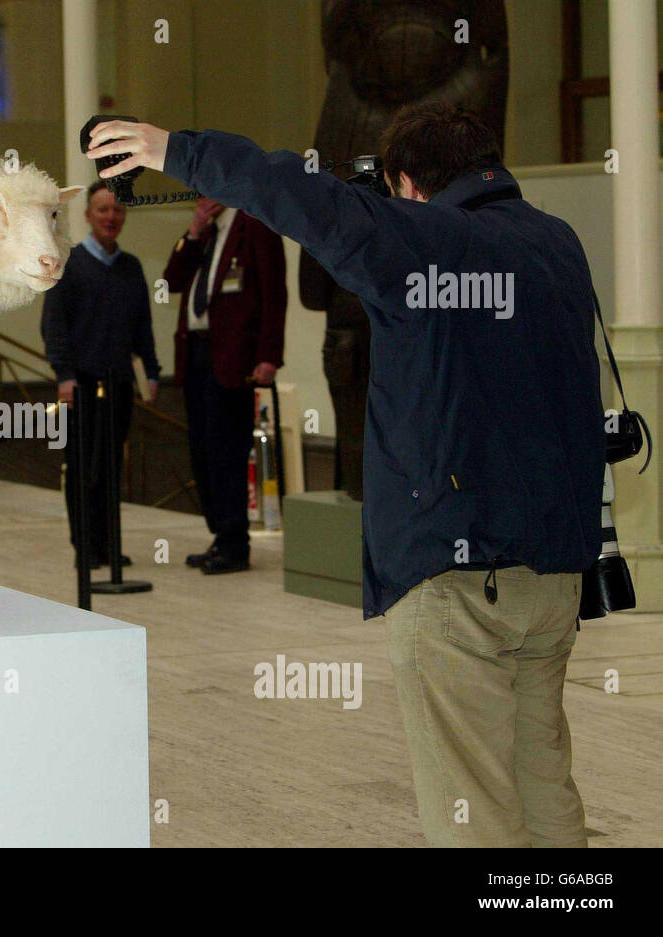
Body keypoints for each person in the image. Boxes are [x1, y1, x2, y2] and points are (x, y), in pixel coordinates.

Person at [87, 103, 602, 847]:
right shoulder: (557, 243)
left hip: (457, 580)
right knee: (543, 782)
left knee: (474, 811)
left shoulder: (430, 240)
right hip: (553, 573)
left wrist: (178, 150)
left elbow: (306, 200)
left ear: (408, 185)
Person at [162, 198, 286, 574]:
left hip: (234, 359)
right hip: (196, 354)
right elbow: (171, 282)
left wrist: (268, 355)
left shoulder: (255, 225)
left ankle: (235, 543)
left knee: (226, 451)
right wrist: (194, 232)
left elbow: (273, 294)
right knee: (201, 450)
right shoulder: (206, 233)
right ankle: (220, 535)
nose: (202, 197)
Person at [41, 180, 161, 568]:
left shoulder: (130, 267)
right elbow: (54, 324)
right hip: (81, 385)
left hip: (119, 384)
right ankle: (86, 549)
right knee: (81, 467)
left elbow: (143, 325)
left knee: (111, 468)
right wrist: (64, 375)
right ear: (89, 214)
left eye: (118, 210)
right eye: (103, 210)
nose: (111, 217)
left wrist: (152, 372)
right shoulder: (70, 263)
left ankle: (110, 545)